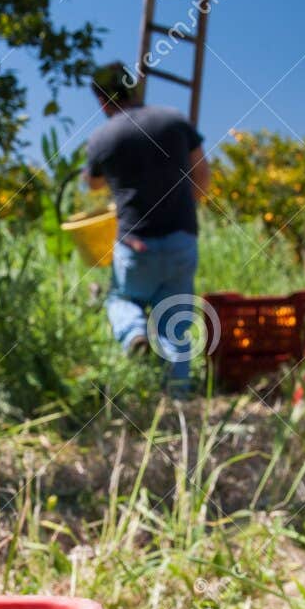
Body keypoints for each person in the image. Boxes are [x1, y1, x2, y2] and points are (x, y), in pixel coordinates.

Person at [83, 62, 210, 395]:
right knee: (176, 319)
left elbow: (92, 184)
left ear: (102, 100)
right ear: (134, 88)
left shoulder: (102, 137)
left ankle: (134, 331)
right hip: (182, 238)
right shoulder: (174, 120)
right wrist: (187, 209)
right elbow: (202, 175)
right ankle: (179, 393)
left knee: (120, 298)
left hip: (135, 243)